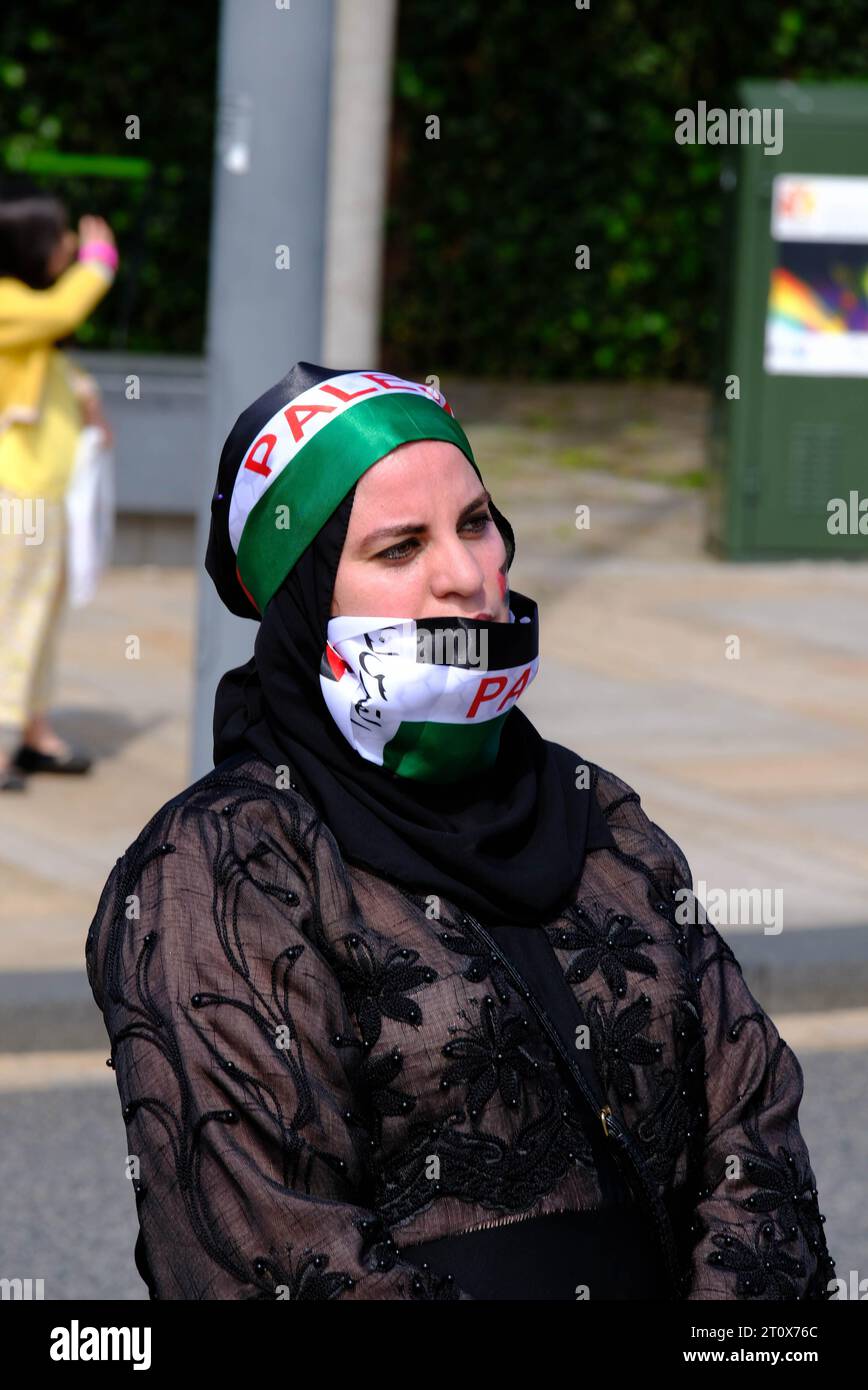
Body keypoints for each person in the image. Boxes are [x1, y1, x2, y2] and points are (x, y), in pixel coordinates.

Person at [86, 361, 836, 1301]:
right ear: (306, 599)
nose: (464, 577)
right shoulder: (217, 868)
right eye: (399, 548)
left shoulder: (600, 815)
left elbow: (751, 1134)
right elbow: (267, 1250)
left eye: (477, 524)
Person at [0, 184, 117, 790]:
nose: (70, 244)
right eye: (61, 234)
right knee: (13, 615)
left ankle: (33, 732)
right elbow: (60, 314)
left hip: (44, 490)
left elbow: (51, 363)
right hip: (14, 494)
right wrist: (98, 266)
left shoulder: (23, 314)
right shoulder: (8, 303)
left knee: (39, 613)